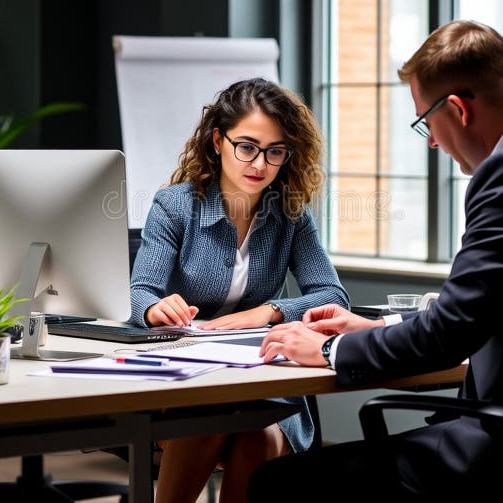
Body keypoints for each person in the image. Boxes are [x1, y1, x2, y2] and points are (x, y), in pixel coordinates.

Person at [252, 20, 503, 502]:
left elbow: (450, 334)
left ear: (458, 109)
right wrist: (374, 329)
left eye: (425, 122)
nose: (432, 143)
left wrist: (327, 352)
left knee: (279, 484)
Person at [129, 77, 349, 503]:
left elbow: (332, 296)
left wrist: (268, 312)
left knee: (261, 439)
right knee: (208, 420)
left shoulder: (291, 214)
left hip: (263, 382)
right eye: (246, 147)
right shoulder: (175, 206)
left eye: (275, 151)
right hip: (191, 383)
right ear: (217, 141)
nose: (260, 164)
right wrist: (157, 308)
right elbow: (140, 292)